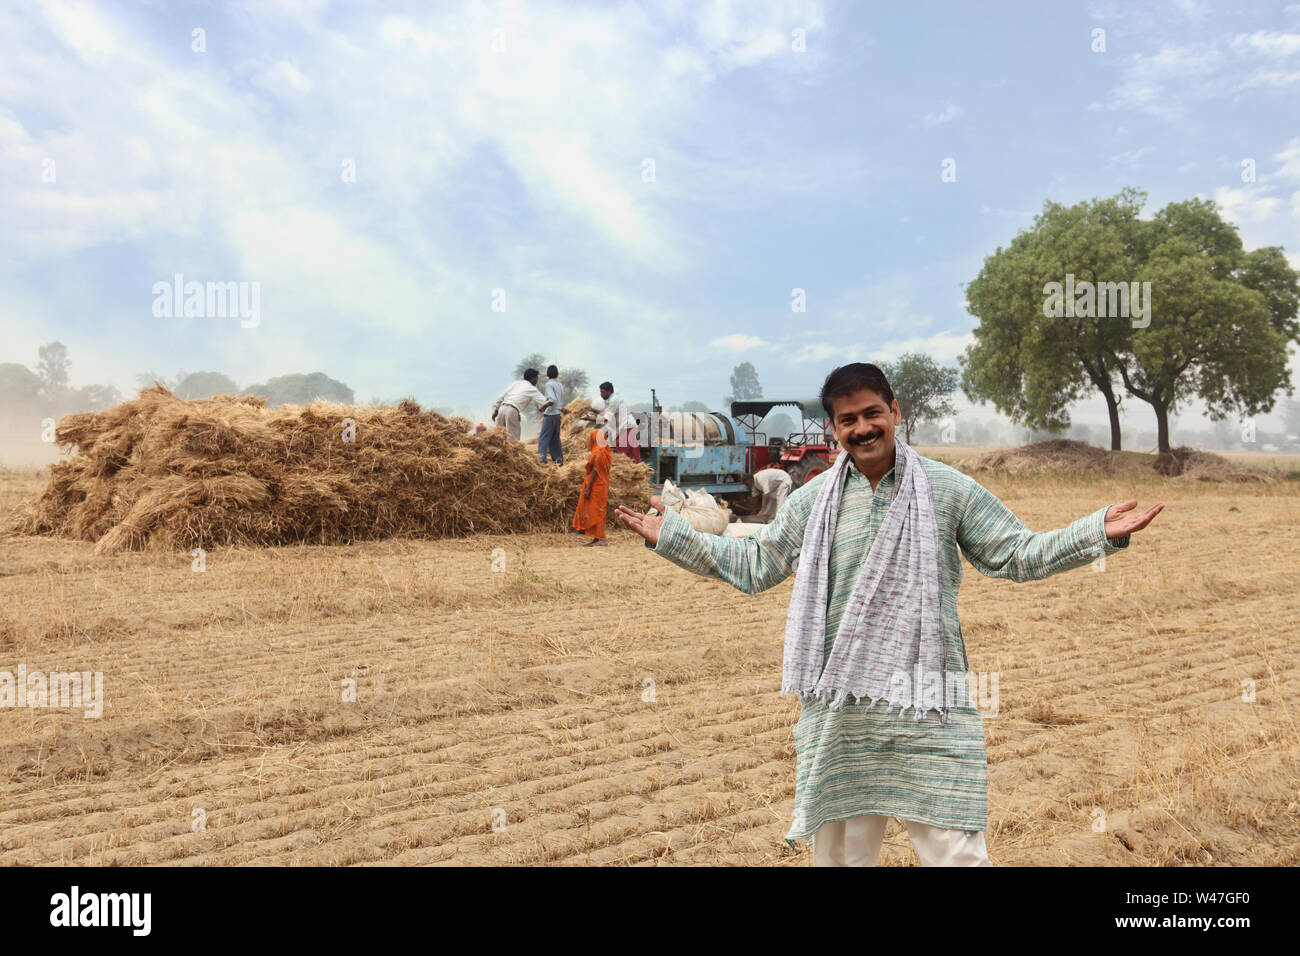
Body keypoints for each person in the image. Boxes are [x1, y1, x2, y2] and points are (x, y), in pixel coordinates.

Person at [616, 362, 1163, 867]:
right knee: (841, 859)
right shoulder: (812, 500)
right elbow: (760, 563)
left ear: (895, 412)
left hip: (928, 700)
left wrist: (1093, 534)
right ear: (834, 429)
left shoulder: (949, 489)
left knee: (957, 854)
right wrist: (676, 539)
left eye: (872, 413)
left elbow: (1014, 554)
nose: (863, 428)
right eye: (848, 419)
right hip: (842, 707)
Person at [582, 381, 641, 463]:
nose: (601, 394)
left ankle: (634, 469)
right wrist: (592, 410)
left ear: (609, 391)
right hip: (628, 427)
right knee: (633, 454)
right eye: (600, 392)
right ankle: (638, 469)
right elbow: (605, 413)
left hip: (627, 427)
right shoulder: (611, 400)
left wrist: (589, 419)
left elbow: (606, 419)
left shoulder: (614, 400)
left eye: (603, 392)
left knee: (620, 452)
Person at [573, 427, 611, 546]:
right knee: (596, 510)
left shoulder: (598, 452)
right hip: (600, 485)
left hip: (595, 485)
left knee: (596, 511)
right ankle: (596, 537)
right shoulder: (605, 450)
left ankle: (601, 539)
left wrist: (588, 487)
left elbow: (595, 470)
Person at [491, 369, 553, 441]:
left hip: (502, 408)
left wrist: (496, 411)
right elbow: (545, 402)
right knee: (513, 440)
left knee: (498, 438)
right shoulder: (532, 389)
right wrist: (556, 404)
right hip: (512, 411)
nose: (537, 380)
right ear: (532, 378)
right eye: (536, 378)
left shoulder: (516, 384)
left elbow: (501, 397)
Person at [538, 365, 565, 464]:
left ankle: (541, 459)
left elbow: (552, 399)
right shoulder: (560, 385)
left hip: (550, 414)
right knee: (555, 439)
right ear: (557, 374)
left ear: (547, 374)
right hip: (557, 414)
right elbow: (558, 400)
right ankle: (559, 461)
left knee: (544, 438)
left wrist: (543, 406)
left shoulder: (549, 384)